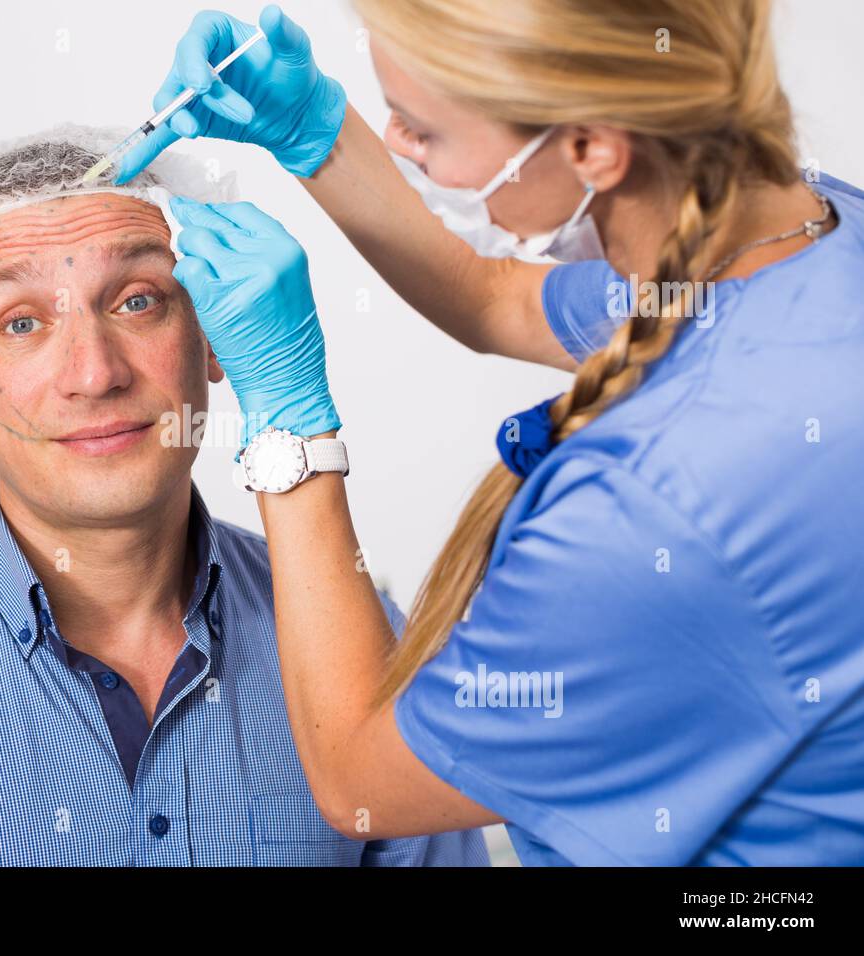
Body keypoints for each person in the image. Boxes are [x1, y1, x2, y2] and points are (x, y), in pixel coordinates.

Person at [116, 2, 864, 865]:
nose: (395, 140)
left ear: (592, 148)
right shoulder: (804, 232)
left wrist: (288, 420)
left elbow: (362, 785)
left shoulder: (656, 512)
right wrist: (315, 130)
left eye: (424, 128)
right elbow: (493, 296)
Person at [0, 124, 487, 867]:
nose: (95, 372)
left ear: (213, 335)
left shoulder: (362, 643)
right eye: (20, 323)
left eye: (137, 300)